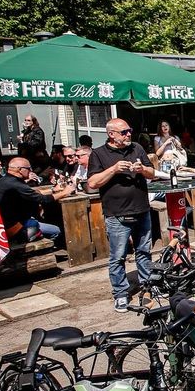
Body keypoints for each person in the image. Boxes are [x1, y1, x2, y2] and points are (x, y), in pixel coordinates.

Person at [87, 118, 155, 310]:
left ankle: (147, 286)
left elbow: (152, 172)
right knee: (118, 256)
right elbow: (92, 183)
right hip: (117, 214)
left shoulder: (136, 148)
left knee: (144, 252)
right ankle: (121, 293)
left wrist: (142, 170)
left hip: (142, 209)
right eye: (124, 132)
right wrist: (114, 169)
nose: (128, 134)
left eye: (129, 130)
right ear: (111, 134)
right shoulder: (99, 154)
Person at [0, 157, 73, 243]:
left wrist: (52, 190)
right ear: (20, 169)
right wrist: (65, 192)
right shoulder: (16, 184)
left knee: (40, 219)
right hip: (14, 227)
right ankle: (46, 251)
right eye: (29, 168)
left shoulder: (5, 180)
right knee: (57, 230)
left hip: (5, 224)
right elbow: (43, 199)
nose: (31, 171)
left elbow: (32, 193)